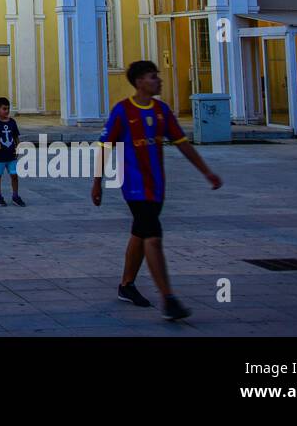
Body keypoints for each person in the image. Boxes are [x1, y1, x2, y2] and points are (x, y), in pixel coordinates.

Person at [92, 60, 222, 321]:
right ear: (140, 81)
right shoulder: (123, 111)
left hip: (157, 187)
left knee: (140, 234)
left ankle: (127, 285)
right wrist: (97, 182)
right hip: (134, 186)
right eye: (153, 77)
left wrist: (206, 171)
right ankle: (168, 298)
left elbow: (182, 143)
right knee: (153, 237)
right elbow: (104, 146)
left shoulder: (162, 111)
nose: (159, 80)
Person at [0, 97, 24, 207]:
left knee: (14, 175)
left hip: (11, 155)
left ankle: (15, 196)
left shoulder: (12, 122)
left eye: (8, 109)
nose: (6, 111)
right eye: (4, 109)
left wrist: (18, 147)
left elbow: (15, 137)